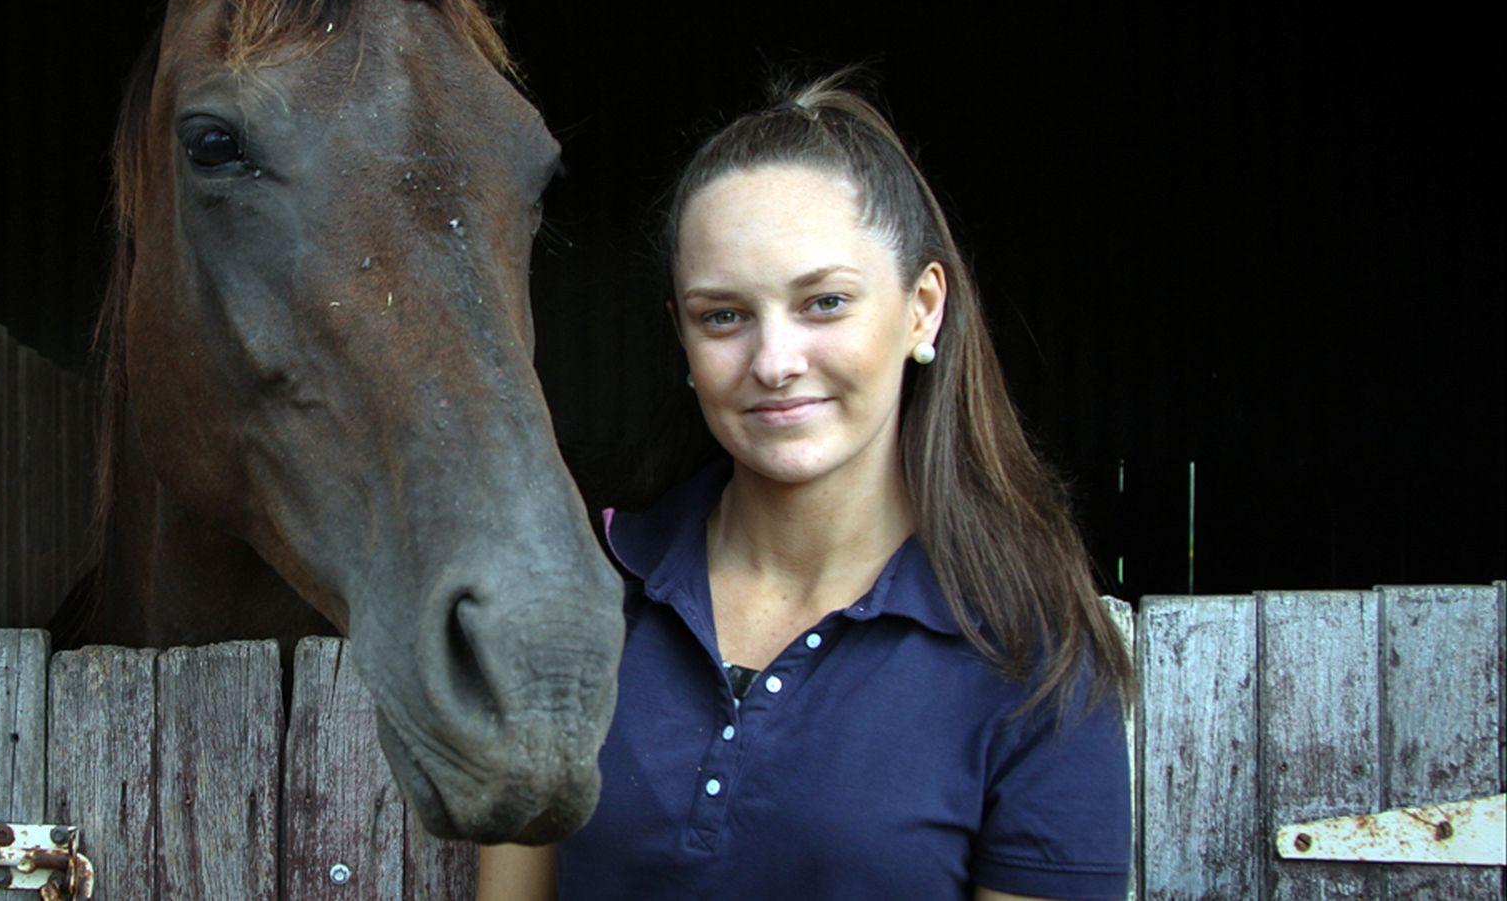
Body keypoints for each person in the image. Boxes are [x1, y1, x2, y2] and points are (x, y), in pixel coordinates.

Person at [477, 73, 1133, 900]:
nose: (775, 361)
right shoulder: (577, 606)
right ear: (681, 332)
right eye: (724, 315)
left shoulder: (1030, 653)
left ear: (923, 309)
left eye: (824, 302)